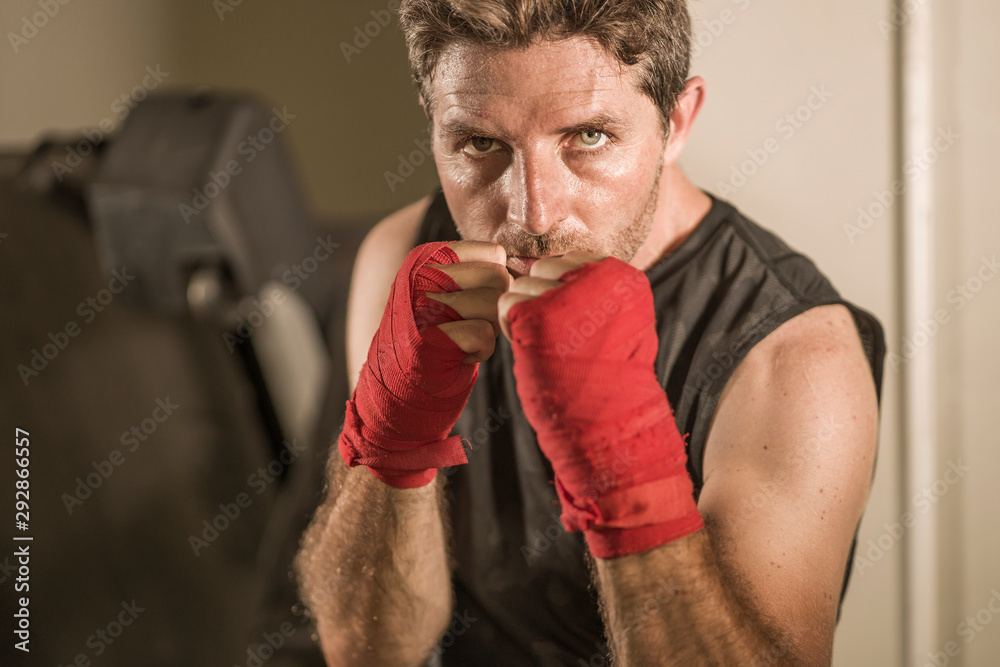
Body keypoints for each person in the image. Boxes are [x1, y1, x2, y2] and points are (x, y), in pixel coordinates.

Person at [294, 1, 885, 665]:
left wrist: (630, 472)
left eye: (589, 137)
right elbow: (368, 649)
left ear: (676, 122)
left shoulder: (794, 355)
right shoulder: (403, 255)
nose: (532, 213)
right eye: (481, 144)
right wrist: (395, 442)